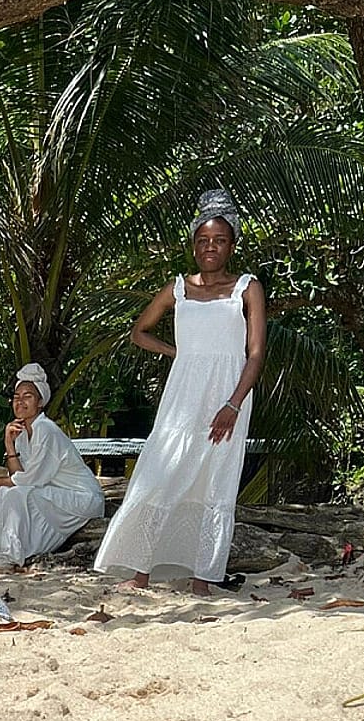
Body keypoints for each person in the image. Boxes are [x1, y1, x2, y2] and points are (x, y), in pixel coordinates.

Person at [94, 189, 266, 595]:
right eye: (203, 240)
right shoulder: (178, 288)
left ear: (232, 245)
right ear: (193, 244)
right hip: (183, 394)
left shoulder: (247, 287)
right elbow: (139, 331)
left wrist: (233, 403)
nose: (211, 247)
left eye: (220, 241)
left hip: (229, 394)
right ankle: (140, 571)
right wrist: (179, 353)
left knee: (214, 480)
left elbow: (255, 355)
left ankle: (202, 577)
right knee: (161, 471)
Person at [0, 364, 104, 570]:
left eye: (28, 396)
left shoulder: (46, 430)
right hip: (54, 495)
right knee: (7, 493)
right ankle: (1, 555)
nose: (20, 401)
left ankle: (10, 557)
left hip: (82, 498)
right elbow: (19, 477)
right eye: (17, 396)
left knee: (15, 493)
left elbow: (32, 479)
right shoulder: (21, 434)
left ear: (40, 402)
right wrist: (9, 444)